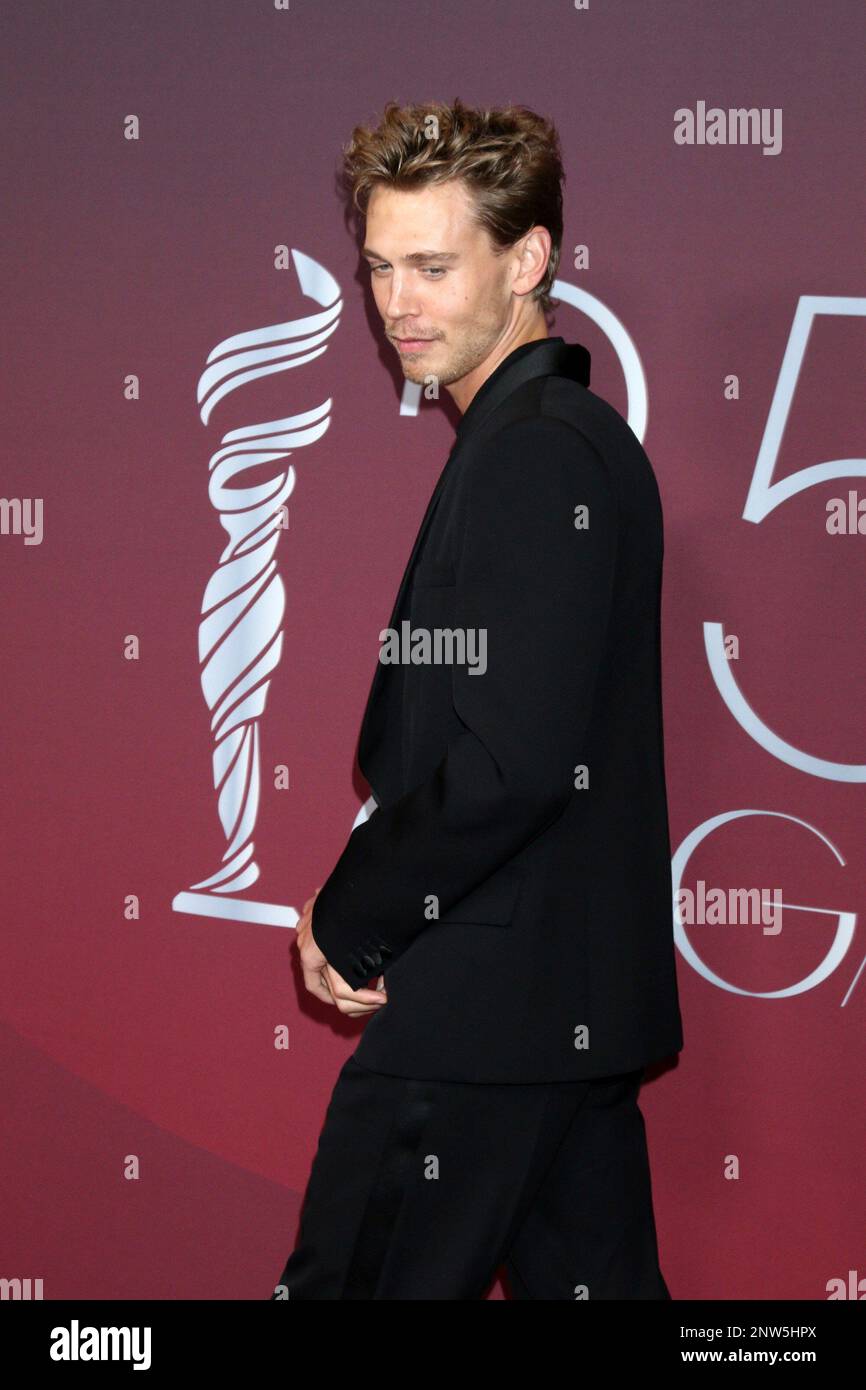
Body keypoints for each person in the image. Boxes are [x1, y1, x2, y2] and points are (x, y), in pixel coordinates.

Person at [271, 98, 683, 1300]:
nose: (397, 300)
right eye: (380, 267)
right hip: (555, 1019)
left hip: (479, 1025)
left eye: (434, 265)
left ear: (529, 260)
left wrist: (350, 918)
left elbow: (510, 761)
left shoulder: (536, 454)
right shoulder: (560, 440)